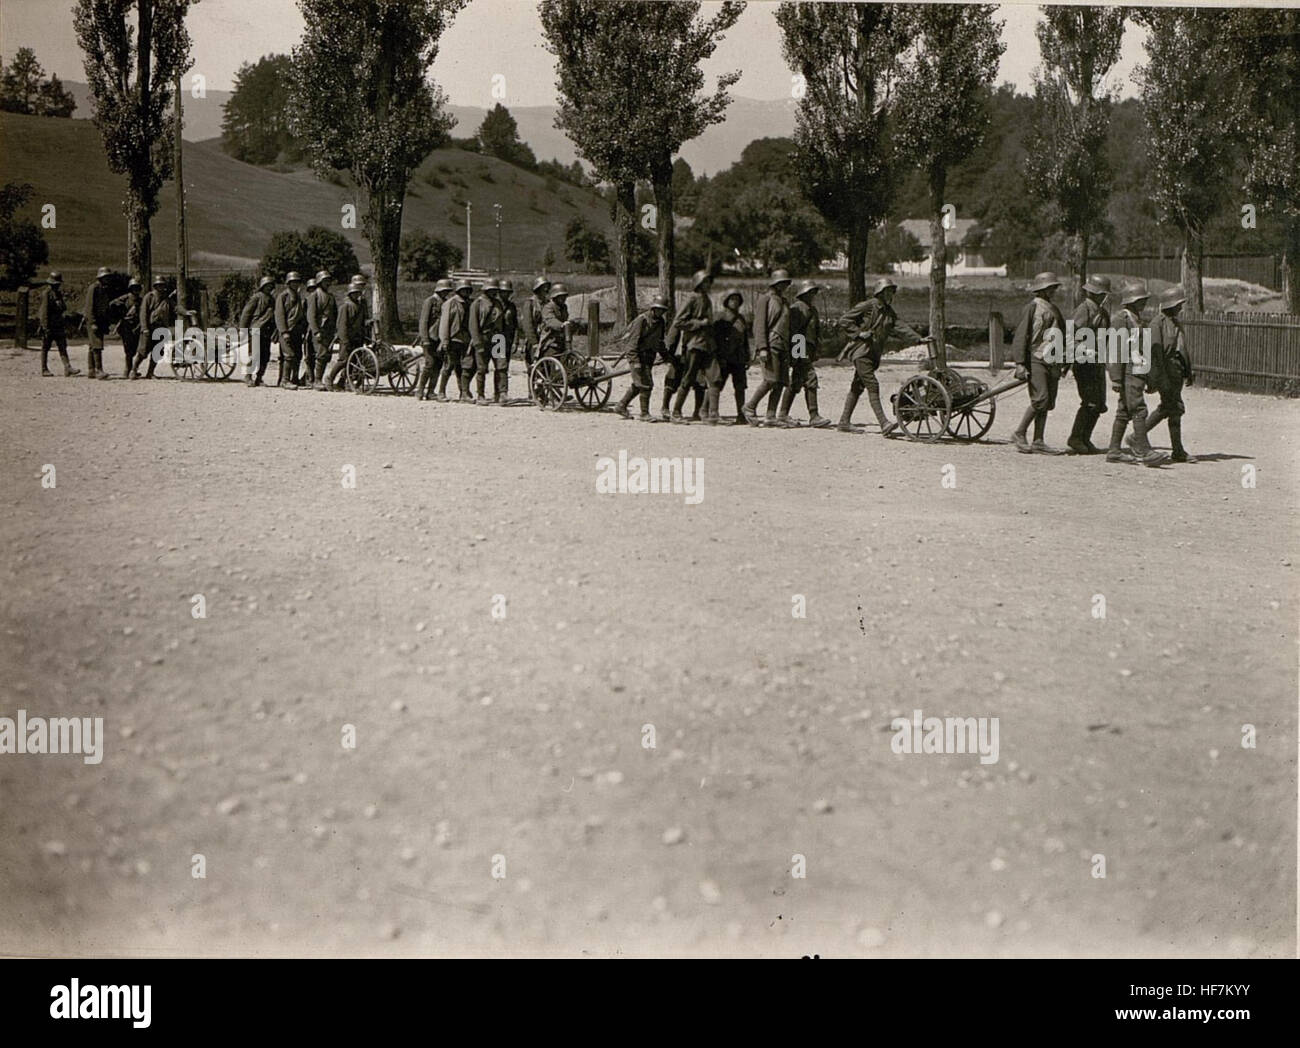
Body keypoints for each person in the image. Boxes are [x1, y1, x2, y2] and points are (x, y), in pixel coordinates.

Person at [835, 277, 923, 435]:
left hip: (873, 354)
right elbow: (844, 320)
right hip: (861, 352)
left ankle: (844, 422)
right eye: (888, 291)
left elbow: (900, 327)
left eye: (892, 291)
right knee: (872, 385)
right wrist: (859, 333)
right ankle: (884, 423)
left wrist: (919, 339)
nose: (891, 294)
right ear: (880, 292)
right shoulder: (868, 305)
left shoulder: (889, 312)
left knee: (857, 386)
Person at [1104, 282, 1165, 466]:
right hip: (1128, 371)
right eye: (1140, 300)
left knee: (1124, 411)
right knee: (1138, 409)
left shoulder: (1138, 320)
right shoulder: (1121, 320)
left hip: (1138, 371)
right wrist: (1115, 378)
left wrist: (1149, 376)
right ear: (1130, 302)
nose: (1143, 304)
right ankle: (1144, 450)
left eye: (1144, 300)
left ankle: (1114, 451)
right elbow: (1114, 349)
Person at [1009, 272, 1067, 454]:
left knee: (1048, 401)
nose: (1053, 291)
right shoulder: (1032, 308)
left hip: (1052, 359)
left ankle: (1038, 440)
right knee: (1040, 399)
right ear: (1041, 289)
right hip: (1036, 358)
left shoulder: (1054, 309)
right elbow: (1021, 336)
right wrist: (1020, 363)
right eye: (1050, 288)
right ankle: (1020, 432)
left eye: (1054, 288)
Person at [1146, 285, 1196, 463]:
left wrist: (1188, 371)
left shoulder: (1176, 324)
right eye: (1178, 304)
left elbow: (1182, 350)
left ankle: (1177, 449)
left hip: (1177, 372)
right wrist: (1158, 378)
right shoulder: (1157, 324)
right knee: (1171, 407)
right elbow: (1155, 354)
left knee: (1173, 409)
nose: (1180, 307)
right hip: (1165, 372)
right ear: (1169, 305)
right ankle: (1139, 435)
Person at [1066, 274, 1111, 454]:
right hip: (1084, 362)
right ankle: (1076, 438)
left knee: (1099, 403)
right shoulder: (1083, 310)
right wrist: (1083, 350)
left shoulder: (1102, 311)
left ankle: (1085, 438)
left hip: (1097, 362)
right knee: (1090, 401)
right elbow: (1071, 335)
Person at [743, 269, 792, 426]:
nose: (784, 286)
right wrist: (762, 347)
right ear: (775, 284)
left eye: (786, 283)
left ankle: (771, 415)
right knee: (770, 379)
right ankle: (750, 407)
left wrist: (798, 350)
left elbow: (790, 328)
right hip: (771, 345)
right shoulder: (765, 299)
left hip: (783, 345)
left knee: (781, 381)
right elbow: (759, 326)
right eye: (781, 283)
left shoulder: (784, 302)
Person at [668, 270, 717, 424]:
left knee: (714, 378)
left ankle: (704, 412)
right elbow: (678, 322)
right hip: (694, 345)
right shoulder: (691, 299)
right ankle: (676, 412)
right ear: (698, 283)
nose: (708, 285)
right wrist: (699, 324)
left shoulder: (707, 299)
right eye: (705, 282)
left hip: (708, 345)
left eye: (709, 282)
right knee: (688, 378)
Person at [781, 280, 831, 427]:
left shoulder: (811, 309)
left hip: (807, 348)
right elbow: (795, 332)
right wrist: (798, 354)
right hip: (800, 346)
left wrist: (815, 350)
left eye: (813, 293)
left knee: (797, 381)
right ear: (803, 294)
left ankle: (784, 413)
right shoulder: (798, 308)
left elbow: (815, 333)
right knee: (810, 379)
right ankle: (813, 415)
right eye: (810, 292)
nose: (812, 295)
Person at [613, 296, 669, 421]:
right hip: (638, 355)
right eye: (658, 309)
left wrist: (666, 355)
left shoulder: (661, 322)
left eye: (662, 310)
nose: (660, 312)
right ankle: (644, 414)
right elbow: (632, 343)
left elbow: (659, 341)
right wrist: (635, 361)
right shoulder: (642, 320)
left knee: (639, 383)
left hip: (649, 356)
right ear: (653, 308)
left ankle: (621, 405)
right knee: (646, 384)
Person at [324, 275, 369, 391]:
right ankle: (330, 378)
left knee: (353, 361)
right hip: (347, 338)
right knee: (343, 360)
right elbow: (341, 325)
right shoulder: (346, 306)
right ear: (350, 294)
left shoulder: (361, 304)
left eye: (359, 292)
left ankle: (342, 381)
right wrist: (344, 339)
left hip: (357, 337)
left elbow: (364, 320)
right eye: (355, 292)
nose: (357, 294)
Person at [712, 290, 751, 424]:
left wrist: (747, 357)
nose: (735, 302)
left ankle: (741, 415)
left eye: (737, 299)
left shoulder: (741, 319)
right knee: (717, 385)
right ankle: (709, 412)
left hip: (738, 358)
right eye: (732, 299)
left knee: (740, 387)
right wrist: (719, 357)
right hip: (724, 358)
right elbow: (715, 340)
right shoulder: (720, 319)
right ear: (726, 301)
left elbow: (745, 340)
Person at [132, 274, 175, 380]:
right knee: (143, 351)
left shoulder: (166, 299)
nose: (161, 287)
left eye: (162, 285)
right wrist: (144, 328)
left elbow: (176, 307)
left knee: (157, 352)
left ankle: (150, 373)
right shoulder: (149, 297)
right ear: (155, 286)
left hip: (161, 329)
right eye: (159, 285)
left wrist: (186, 312)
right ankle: (133, 370)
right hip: (149, 328)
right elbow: (143, 313)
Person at [416, 278, 452, 401]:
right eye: (444, 290)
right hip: (429, 338)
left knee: (438, 365)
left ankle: (431, 391)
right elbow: (424, 321)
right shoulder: (430, 301)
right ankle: (420, 389)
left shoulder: (446, 303)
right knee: (429, 364)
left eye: (447, 291)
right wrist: (424, 338)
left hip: (440, 339)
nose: (446, 293)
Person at [38, 271, 79, 377]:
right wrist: (45, 327)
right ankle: (44, 369)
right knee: (45, 347)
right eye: (55, 284)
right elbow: (44, 311)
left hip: (58, 325)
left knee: (62, 346)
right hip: (49, 325)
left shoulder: (58, 294)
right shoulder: (46, 294)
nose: (57, 285)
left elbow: (63, 307)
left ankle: (67, 367)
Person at [238, 276, 277, 387]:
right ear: (262, 286)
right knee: (254, 354)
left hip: (267, 331)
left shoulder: (272, 300)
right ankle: (248, 376)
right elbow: (246, 313)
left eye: (271, 286)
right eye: (267, 286)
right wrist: (243, 329)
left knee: (265, 356)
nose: (269, 288)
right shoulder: (256, 298)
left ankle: (259, 377)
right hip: (256, 329)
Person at [438, 278, 473, 400]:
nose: (466, 292)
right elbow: (444, 323)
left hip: (466, 340)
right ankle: (441, 392)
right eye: (463, 290)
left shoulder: (470, 303)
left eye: (468, 290)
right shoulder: (450, 303)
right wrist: (445, 340)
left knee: (463, 367)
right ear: (458, 290)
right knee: (449, 366)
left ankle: (464, 392)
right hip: (453, 339)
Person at [275, 271, 308, 387]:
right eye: (293, 282)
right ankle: (284, 380)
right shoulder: (283, 296)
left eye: (297, 282)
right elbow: (279, 315)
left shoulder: (298, 296)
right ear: (288, 283)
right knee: (288, 355)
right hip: (287, 330)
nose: (296, 284)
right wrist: (284, 332)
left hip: (297, 330)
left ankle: (294, 378)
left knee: (298, 355)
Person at [537, 282, 587, 359]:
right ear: (555, 297)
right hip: (550, 340)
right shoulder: (548, 307)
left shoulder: (564, 307)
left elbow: (566, 319)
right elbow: (550, 320)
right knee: (551, 359)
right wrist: (561, 325)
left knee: (567, 358)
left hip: (562, 340)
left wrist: (573, 323)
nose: (563, 299)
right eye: (561, 297)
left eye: (564, 297)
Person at [82, 266, 114, 379]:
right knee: (97, 345)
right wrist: (92, 323)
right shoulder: (94, 288)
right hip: (93, 320)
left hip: (100, 321)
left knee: (93, 345)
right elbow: (89, 307)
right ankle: (99, 370)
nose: (108, 279)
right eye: (106, 277)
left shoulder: (104, 288)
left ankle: (91, 370)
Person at [308, 272, 338, 391]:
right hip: (319, 329)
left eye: (328, 281)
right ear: (319, 282)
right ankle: (317, 380)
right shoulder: (314, 296)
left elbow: (335, 314)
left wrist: (335, 330)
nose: (327, 283)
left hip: (329, 330)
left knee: (326, 356)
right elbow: (311, 315)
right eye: (325, 280)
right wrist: (316, 331)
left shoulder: (331, 297)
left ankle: (317, 378)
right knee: (320, 355)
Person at [110, 277, 143, 377]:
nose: (136, 290)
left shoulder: (141, 300)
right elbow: (112, 304)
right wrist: (120, 308)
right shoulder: (125, 298)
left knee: (136, 348)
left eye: (137, 288)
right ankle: (127, 369)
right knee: (128, 350)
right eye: (134, 288)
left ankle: (132, 369)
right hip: (126, 326)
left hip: (137, 326)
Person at [519, 276, 550, 381]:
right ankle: (533, 391)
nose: (545, 290)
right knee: (534, 365)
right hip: (534, 339)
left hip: (546, 338)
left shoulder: (548, 303)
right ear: (537, 289)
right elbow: (527, 324)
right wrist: (534, 342)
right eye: (543, 287)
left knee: (547, 365)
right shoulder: (530, 303)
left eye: (546, 287)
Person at [494, 278, 519, 405]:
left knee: (504, 366)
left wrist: (516, 341)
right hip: (497, 338)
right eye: (504, 292)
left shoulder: (511, 306)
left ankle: (499, 393)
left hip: (508, 338)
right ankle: (502, 393)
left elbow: (515, 325)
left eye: (508, 292)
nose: (506, 294)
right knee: (501, 366)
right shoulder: (494, 304)